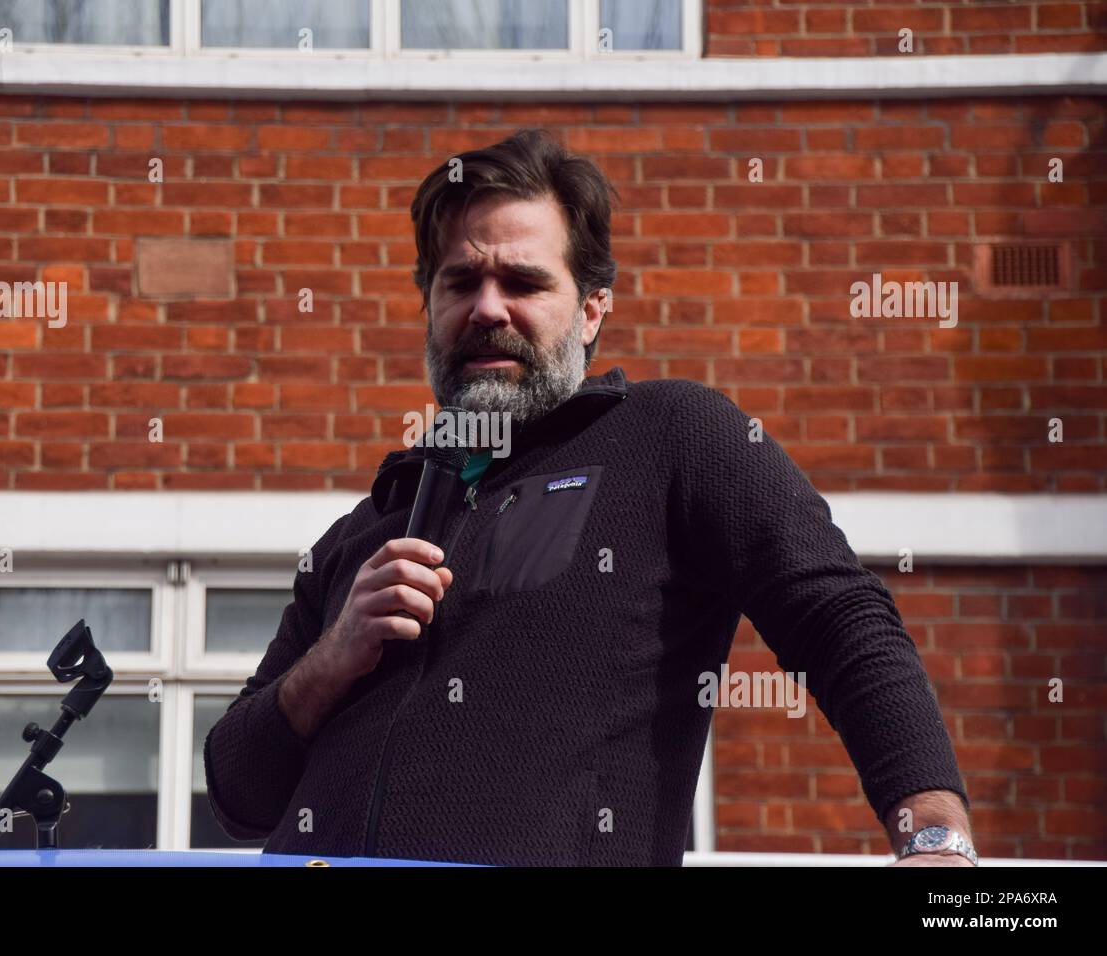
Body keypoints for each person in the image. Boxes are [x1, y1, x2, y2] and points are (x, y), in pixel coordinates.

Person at [204, 129, 975, 867]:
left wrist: (934, 838)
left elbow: (841, 619)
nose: (487, 309)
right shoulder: (366, 525)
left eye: (524, 282)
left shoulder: (673, 438)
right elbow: (239, 797)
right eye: (461, 282)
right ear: (429, 306)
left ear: (592, 311)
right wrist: (333, 659)